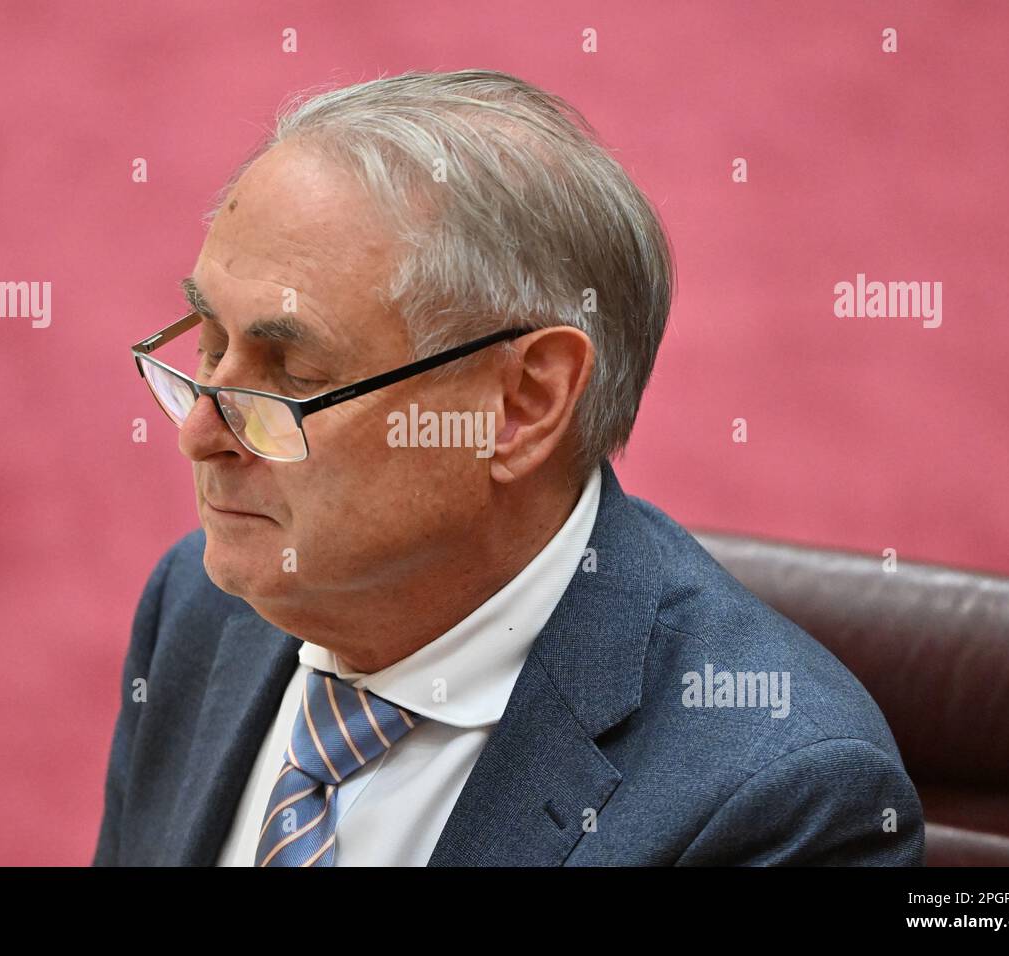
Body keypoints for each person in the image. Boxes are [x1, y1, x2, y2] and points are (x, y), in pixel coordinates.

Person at [93, 69, 925, 866]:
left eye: (296, 377)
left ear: (521, 403)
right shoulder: (201, 610)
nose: (199, 431)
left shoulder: (776, 798)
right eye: (207, 345)